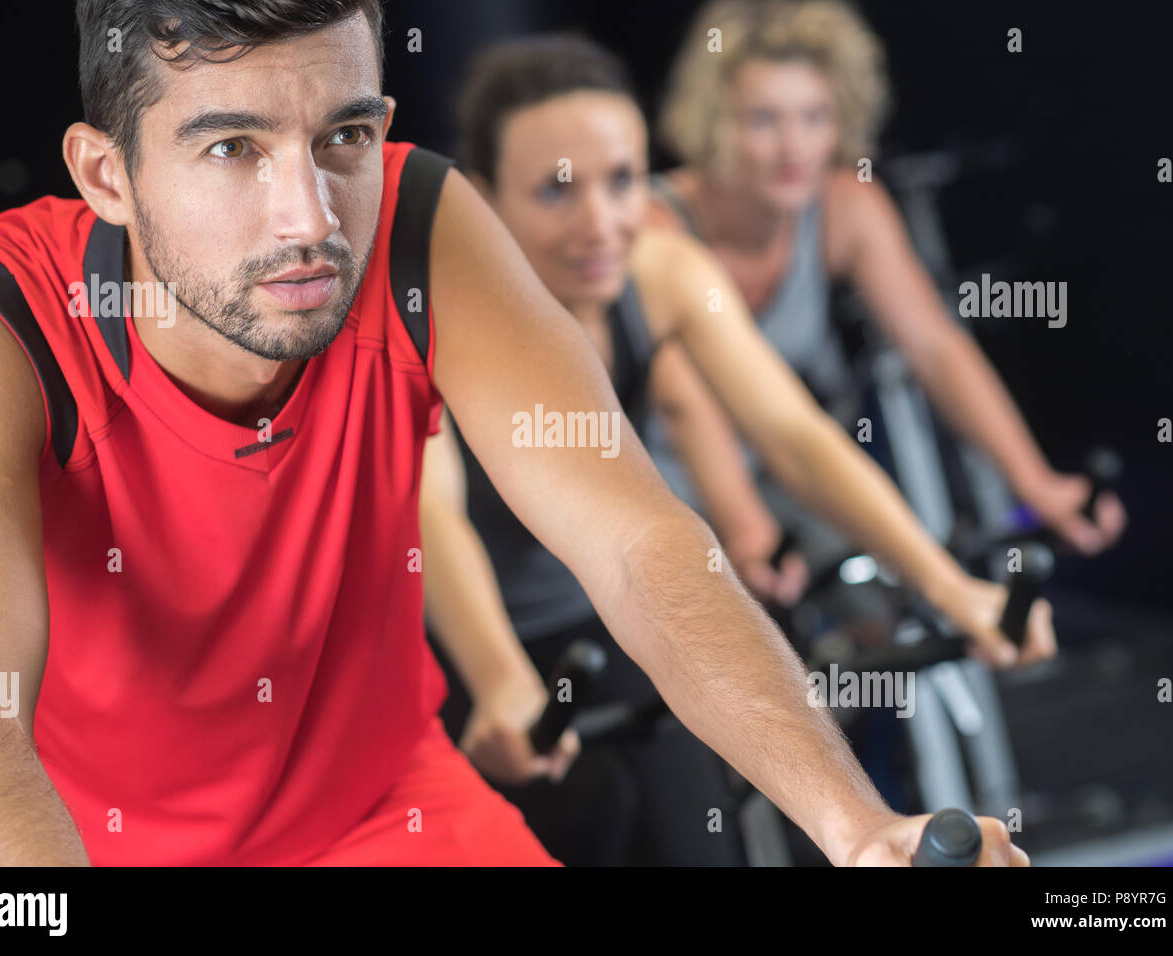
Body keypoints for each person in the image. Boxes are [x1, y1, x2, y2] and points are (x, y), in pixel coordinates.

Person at [418, 35, 1053, 865]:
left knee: (701, 834)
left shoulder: (662, 272)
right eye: (555, 192)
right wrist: (500, 676)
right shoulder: (443, 313)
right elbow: (431, 515)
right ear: (485, 206)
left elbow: (796, 437)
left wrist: (945, 584)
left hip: (617, 618)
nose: (601, 222)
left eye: (621, 182)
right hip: (478, 645)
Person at [645, 0, 1126, 576]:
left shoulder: (847, 206)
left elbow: (935, 347)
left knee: (886, 607)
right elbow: (682, 405)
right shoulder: (654, 225)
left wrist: (1035, 481)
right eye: (764, 120)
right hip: (660, 492)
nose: (794, 147)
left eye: (815, 116)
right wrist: (749, 532)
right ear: (716, 122)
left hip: (782, 479)